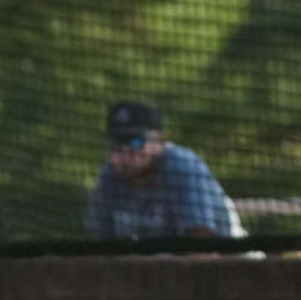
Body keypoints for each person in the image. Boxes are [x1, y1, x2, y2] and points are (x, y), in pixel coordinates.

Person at [86, 100, 240, 241]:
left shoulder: (183, 168)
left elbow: (203, 252)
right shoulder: (109, 178)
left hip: (230, 263)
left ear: (160, 140)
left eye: (135, 141)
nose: (125, 152)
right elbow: (101, 246)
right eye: (117, 144)